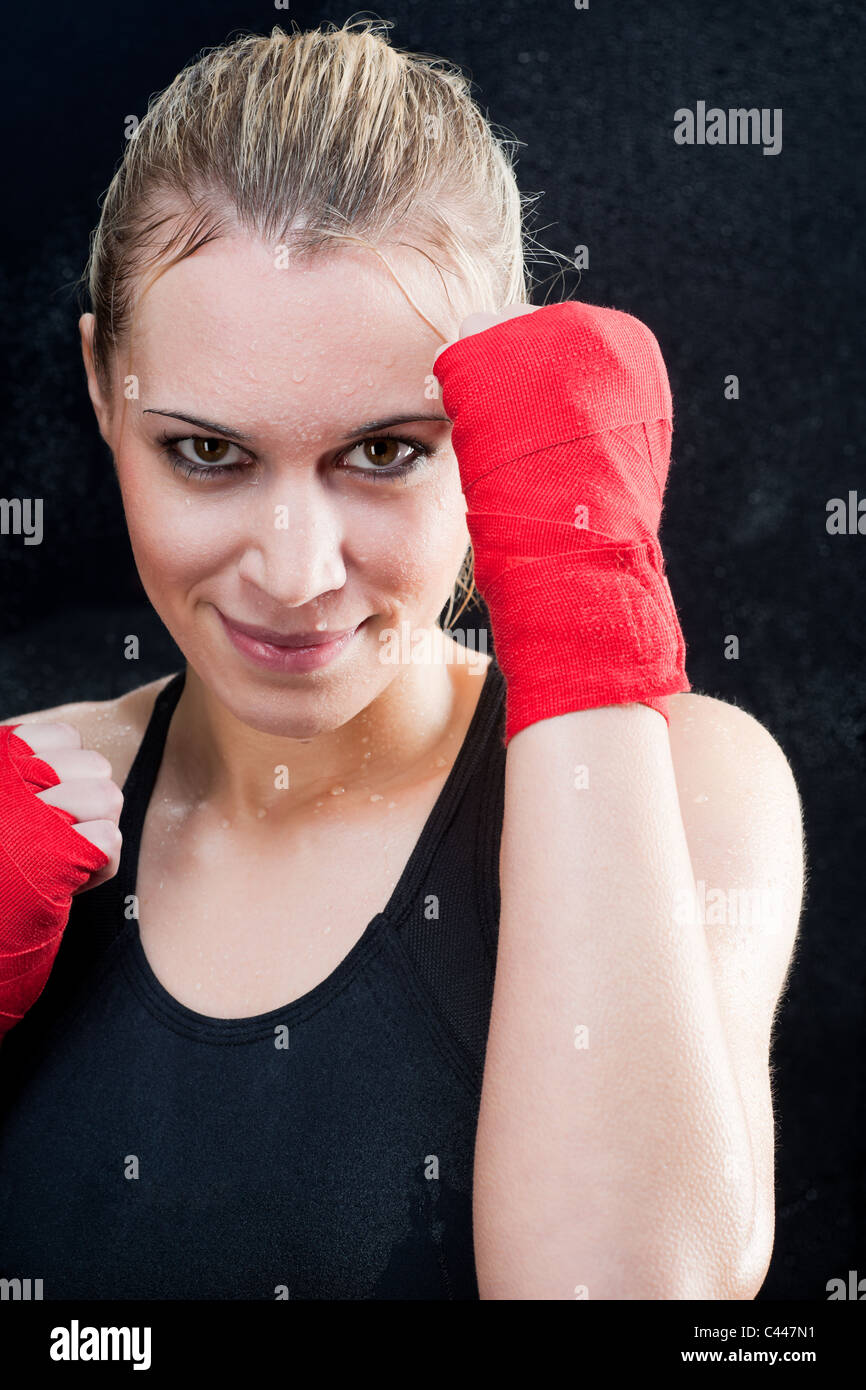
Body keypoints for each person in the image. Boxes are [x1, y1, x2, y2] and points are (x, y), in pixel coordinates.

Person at [0, 19, 804, 1300]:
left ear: (509, 419)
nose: (295, 570)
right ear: (104, 387)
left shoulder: (687, 785)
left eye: (386, 450)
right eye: (206, 451)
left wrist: (585, 596)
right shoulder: (32, 788)